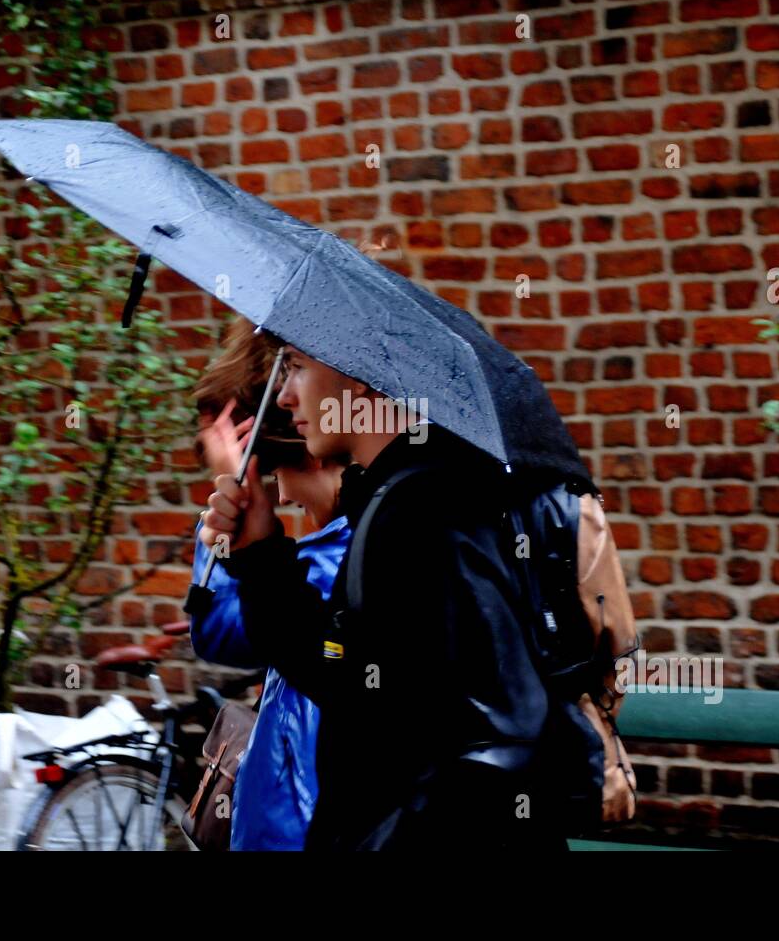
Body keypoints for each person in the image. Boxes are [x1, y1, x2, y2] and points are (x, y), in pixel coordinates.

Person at [198, 339, 569, 851]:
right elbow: (346, 673)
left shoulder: (422, 512)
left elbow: (425, 732)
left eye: (298, 368)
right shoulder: (403, 497)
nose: (283, 396)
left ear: (358, 378)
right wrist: (260, 555)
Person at [189, 319, 350, 850]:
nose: (280, 496)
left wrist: (231, 528)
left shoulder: (337, 560)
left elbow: (220, 634)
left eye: (277, 475)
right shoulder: (338, 548)